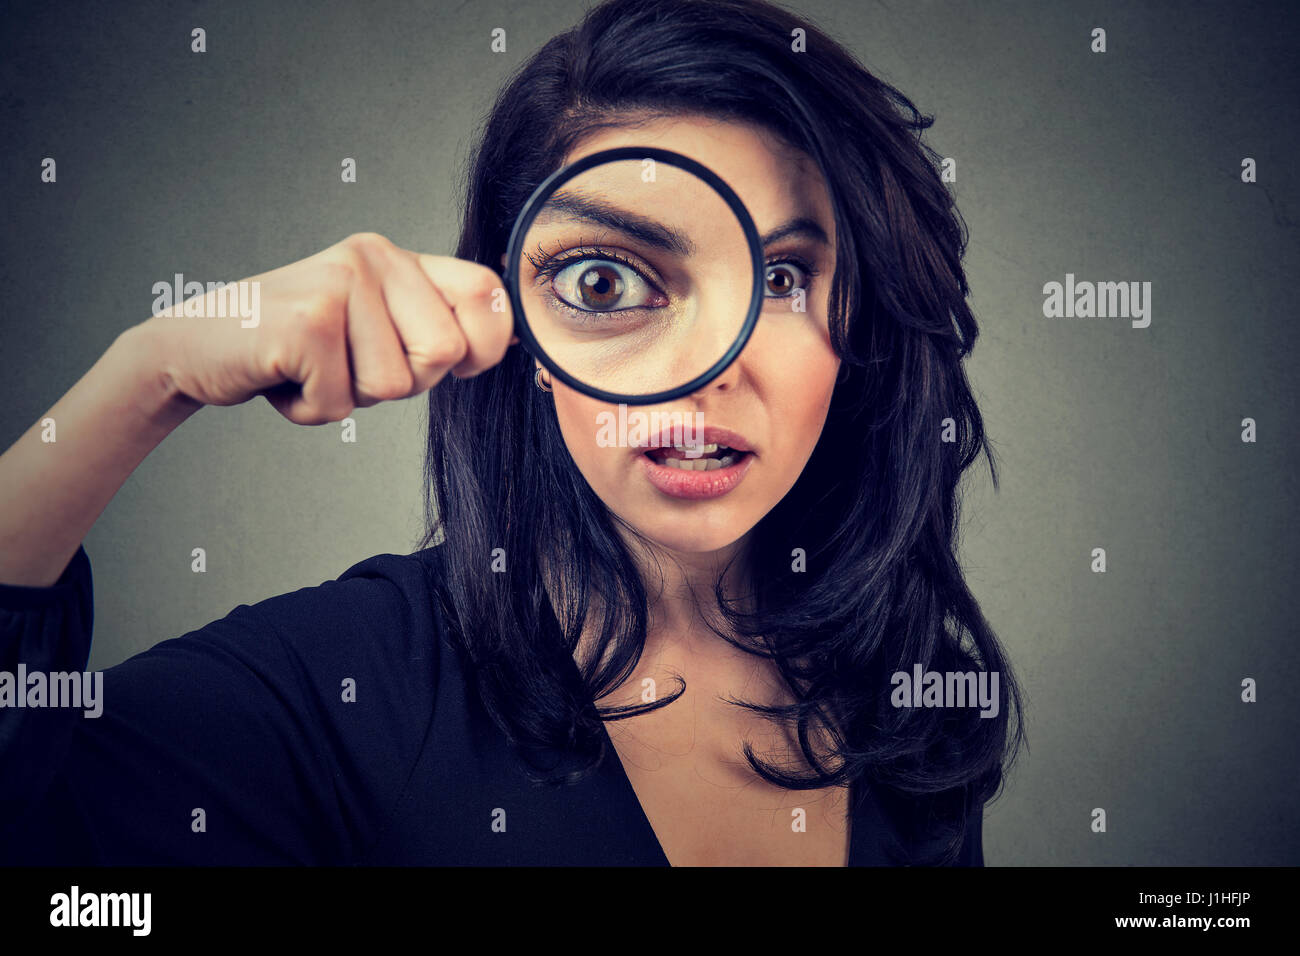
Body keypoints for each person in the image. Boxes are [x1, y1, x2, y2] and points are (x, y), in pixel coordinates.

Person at [0, 0, 1022, 866]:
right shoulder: (328, 696)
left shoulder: (902, 695)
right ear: (522, 329)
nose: (710, 367)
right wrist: (148, 372)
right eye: (607, 280)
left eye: (786, 275)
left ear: (861, 327)